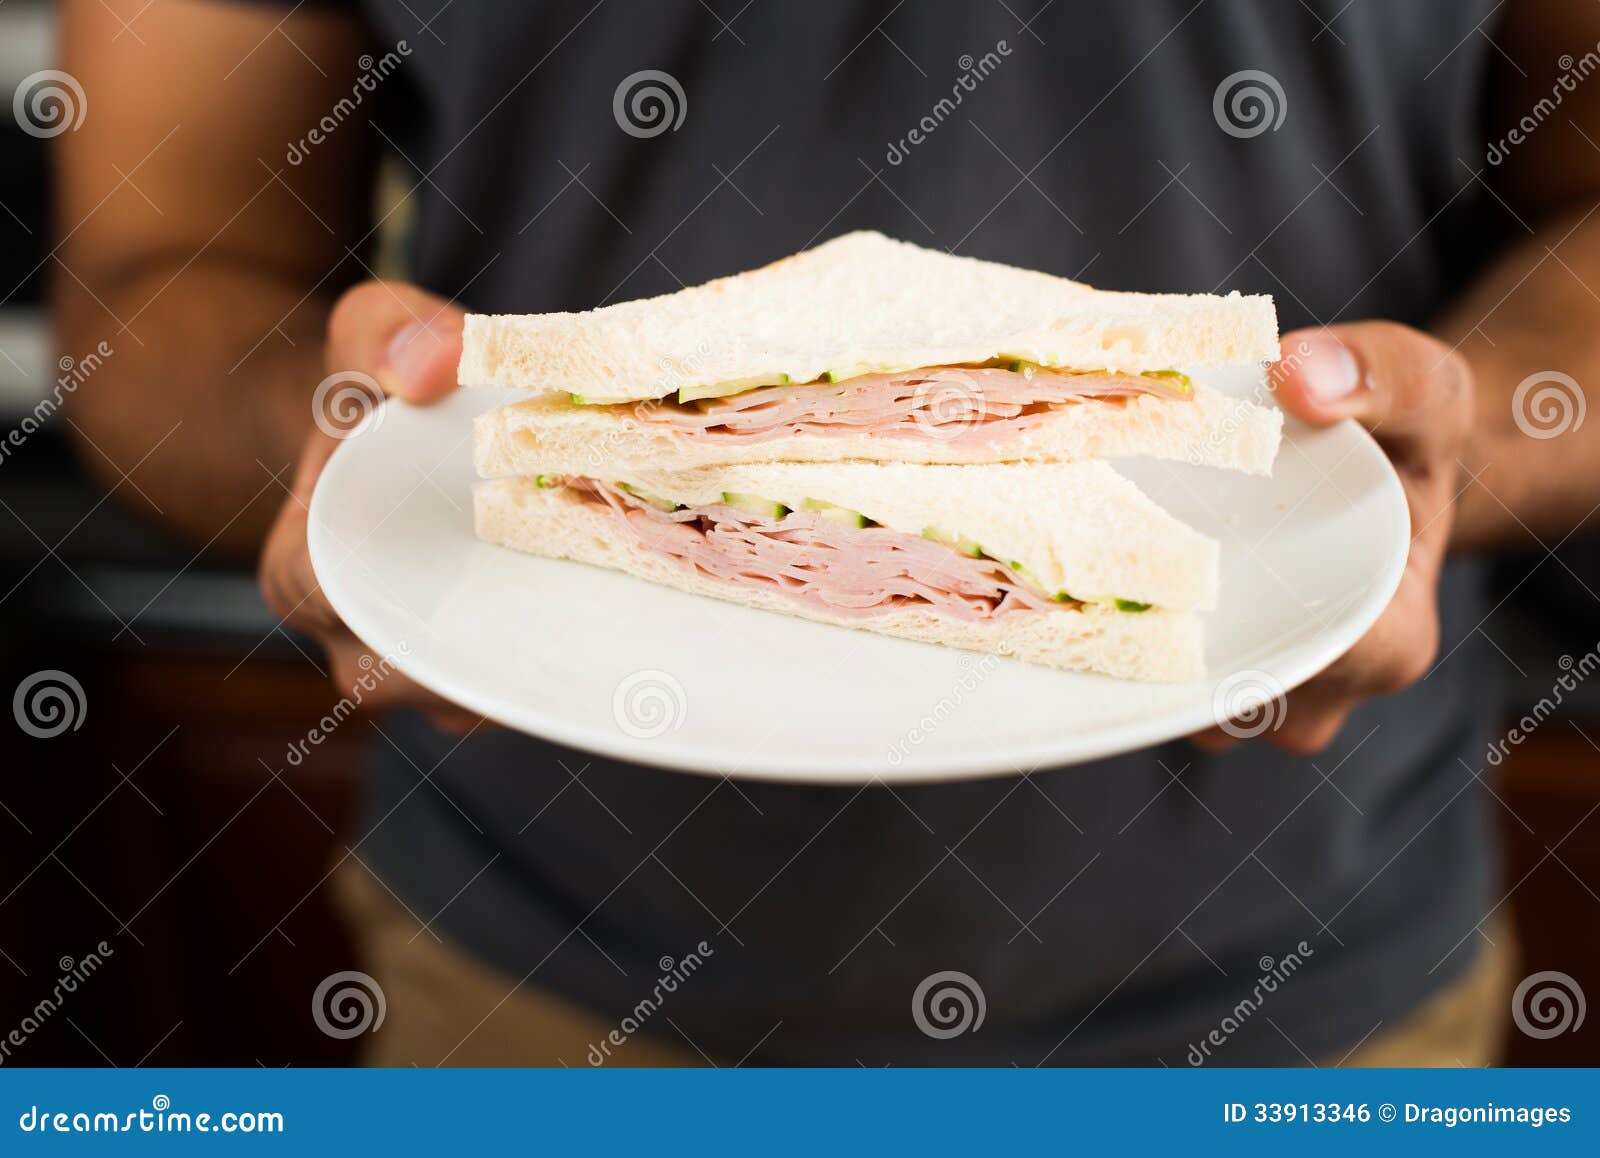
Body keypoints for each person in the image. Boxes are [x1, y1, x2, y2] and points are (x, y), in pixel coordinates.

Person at [55, 0, 1595, 1065]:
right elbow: (157, 261)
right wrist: (347, 450)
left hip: (1320, 990)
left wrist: (1454, 436)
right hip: (540, 997)